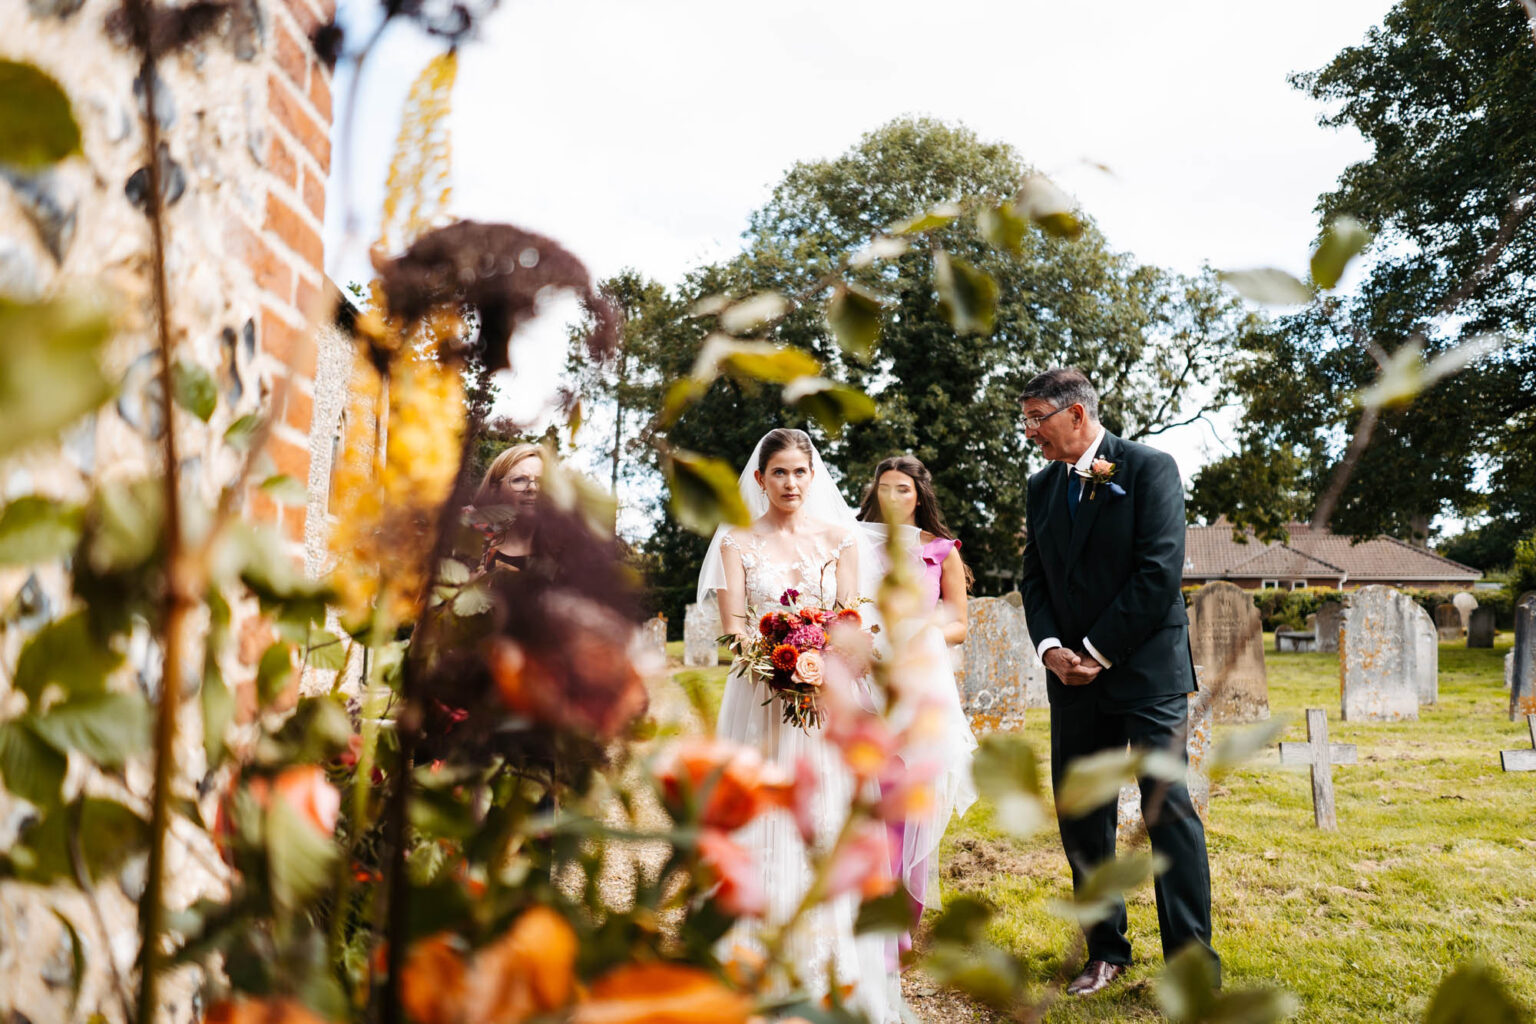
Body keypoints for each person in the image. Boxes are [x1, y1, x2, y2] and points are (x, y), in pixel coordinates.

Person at [1019, 368, 1218, 997]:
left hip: (1147, 673)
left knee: (1168, 811)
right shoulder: (1040, 487)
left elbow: (1157, 573)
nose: (1030, 433)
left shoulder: (1151, 468)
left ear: (1076, 414)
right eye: (1025, 421)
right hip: (1071, 680)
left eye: (1037, 419)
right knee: (1083, 816)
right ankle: (1105, 952)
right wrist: (1051, 649)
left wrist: (1096, 651)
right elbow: (1035, 579)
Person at [696, 428, 897, 1023]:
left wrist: (828, 660)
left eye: (799, 472)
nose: (790, 483)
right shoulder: (736, 540)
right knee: (761, 816)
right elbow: (733, 628)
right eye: (779, 473)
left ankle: (834, 970)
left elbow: (852, 621)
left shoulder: (841, 538)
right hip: (759, 697)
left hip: (826, 701)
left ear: (814, 477)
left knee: (826, 816)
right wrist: (775, 662)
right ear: (760, 480)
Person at [855, 454, 977, 958]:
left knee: (908, 805)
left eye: (903, 489)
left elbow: (958, 625)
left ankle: (904, 922)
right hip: (863, 687)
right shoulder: (853, 543)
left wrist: (917, 633)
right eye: (885, 488)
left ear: (920, 495)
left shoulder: (941, 552)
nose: (893, 497)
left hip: (918, 688)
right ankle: (866, 921)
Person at [470, 442, 544, 572]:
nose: (532, 488)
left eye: (541, 481)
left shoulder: (567, 557)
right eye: (519, 479)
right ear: (495, 490)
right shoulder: (472, 552)